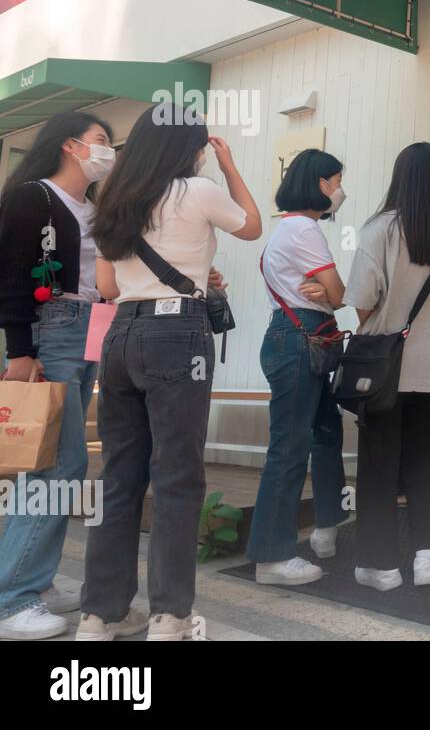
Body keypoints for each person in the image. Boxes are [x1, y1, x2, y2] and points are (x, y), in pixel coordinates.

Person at [81, 106, 261, 640]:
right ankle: (170, 617)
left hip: (121, 338)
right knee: (178, 480)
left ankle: (100, 616)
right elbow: (251, 227)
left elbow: (109, 288)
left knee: (118, 480)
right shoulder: (197, 190)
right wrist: (230, 170)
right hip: (177, 337)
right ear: (192, 148)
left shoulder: (115, 198)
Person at [0, 111, 115, 640]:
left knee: (63, 461)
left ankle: (32, 584)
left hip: (91, 326)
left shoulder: (91, 208)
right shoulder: (34, 197)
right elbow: (11, 274)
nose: (107, 151)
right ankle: (12, 598)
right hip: (55, 327)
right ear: (70, 145)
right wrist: (20, 349)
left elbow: (101, 279)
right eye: (100, 141)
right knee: (52, 464)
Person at [344, 142, 430, 590]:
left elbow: (361, 302)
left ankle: (379, 566)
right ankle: (427, 555)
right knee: (424, 460)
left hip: (384, 372)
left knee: (378, 465)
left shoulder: (379, 230)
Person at [245, 149, 349, 585]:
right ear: (319, 184)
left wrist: (324, 294)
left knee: (325, 432)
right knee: (290, 446)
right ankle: (271, 556)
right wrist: (327, 293)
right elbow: (339, 292)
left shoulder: (284, 229)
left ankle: (327, 527)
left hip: (297, 337)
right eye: (336, 181)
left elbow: (327, 292)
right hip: (299, 338)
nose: (340, 190)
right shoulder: (304, 228)